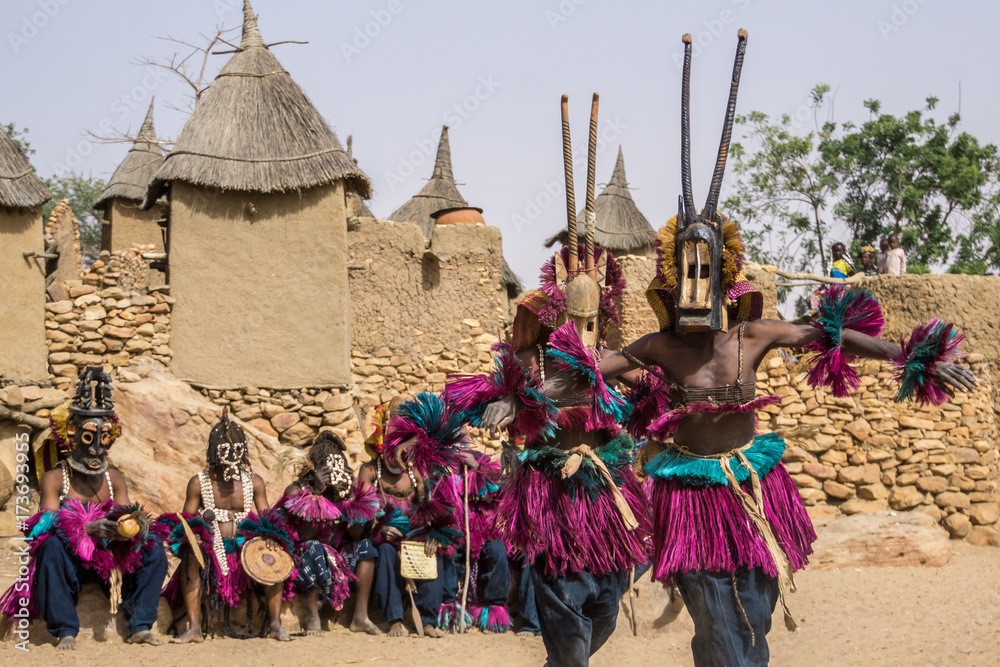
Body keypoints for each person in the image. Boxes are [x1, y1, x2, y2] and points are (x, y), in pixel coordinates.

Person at [485, 29, 977, 666]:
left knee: (754, 622)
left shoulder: (755, 334)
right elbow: (584, 376)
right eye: (683, 269)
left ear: (723, 276)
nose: (692, 283)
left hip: (756, 486)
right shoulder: (657, 347)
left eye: (704, 269)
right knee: (723, 630)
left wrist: (913, 355)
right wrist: (515, 396)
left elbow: (830, 335)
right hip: (691, 499)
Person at [447, 239, 650, 666]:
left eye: (589, 319)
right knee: (564, 595)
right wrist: (507, 403)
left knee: (606, 608)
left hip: (605, 487)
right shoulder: (532, 359)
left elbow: (656, 391)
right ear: (553, 311)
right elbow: (509, 392)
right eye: (572, 317)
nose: (581, 327)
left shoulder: (608, 359)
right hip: (552, 489)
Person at [0, 367, 167, 650]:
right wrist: (85, 529)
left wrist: (131, 529)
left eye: (103, 439)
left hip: (111, 560)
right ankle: (65, 629)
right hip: (73, 562)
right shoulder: (55, 478)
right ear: (73, 433)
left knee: (154, 546)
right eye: (90, 438)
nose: (97, 449)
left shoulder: (114, 478)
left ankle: (139, 625)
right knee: (51, 547)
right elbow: (43, 525)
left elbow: (126, 516)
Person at [156, 408, 293, 642]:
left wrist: (271, 536)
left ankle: (275, 624)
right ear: (214, 453)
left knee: (274, 551)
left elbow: (267, 516)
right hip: (210, 548)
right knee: (191, 555)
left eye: (237, 451)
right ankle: (195, 628)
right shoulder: (199, 482)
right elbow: (186, 524)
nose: (231, 457)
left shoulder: (254, 481)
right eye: (225, 451)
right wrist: (195, 536)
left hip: (245, 546)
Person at [357, 393, 469, 638]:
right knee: (386, 552)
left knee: (433, 549)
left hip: (414, 531)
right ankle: (395, 619)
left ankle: (427, 620)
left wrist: (432, 531)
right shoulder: (368, 470)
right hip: (384, 534)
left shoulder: (417, 469)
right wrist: (380, 529)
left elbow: (431, 506)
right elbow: (362, 511)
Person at [273, 430, 380, 635]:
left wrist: (351, 498)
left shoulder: (340, 495)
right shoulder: (296, 491)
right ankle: (314, 614)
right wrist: (316, 492)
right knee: (314, 547)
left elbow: (355, 534)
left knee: (365, 547)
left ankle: (360, 616)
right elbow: (305, 535)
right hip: (301, 553)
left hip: (335, 555)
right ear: (315, 469)